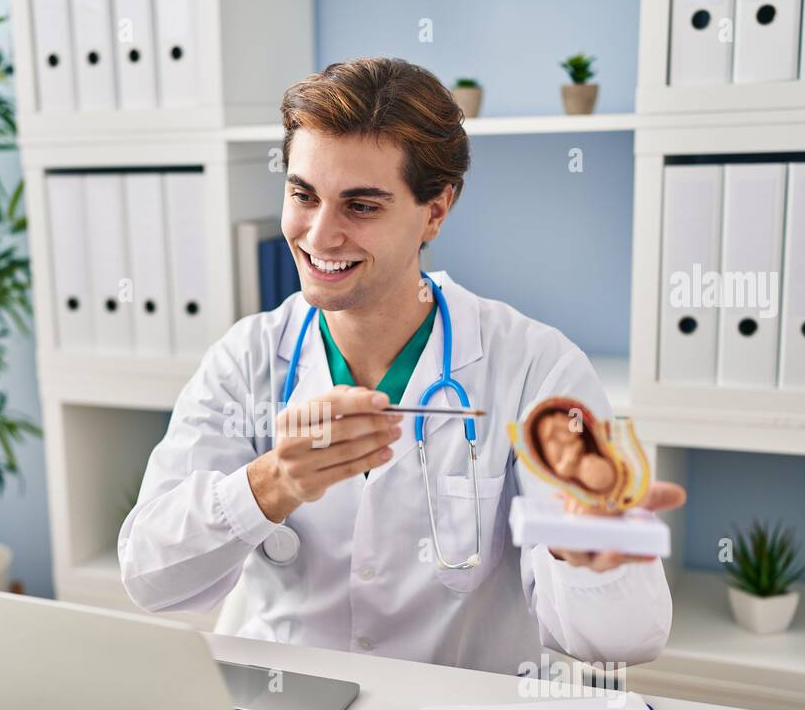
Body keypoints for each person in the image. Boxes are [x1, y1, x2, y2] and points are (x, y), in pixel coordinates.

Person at [118, 57, 684, 674]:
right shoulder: (246, 358)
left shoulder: (535, 369)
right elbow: (151, 579)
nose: (319, 234)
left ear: (435, 212)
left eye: (360, 206)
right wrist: (272, 484)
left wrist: (586, 555)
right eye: (303, 195)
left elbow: (629, 642)